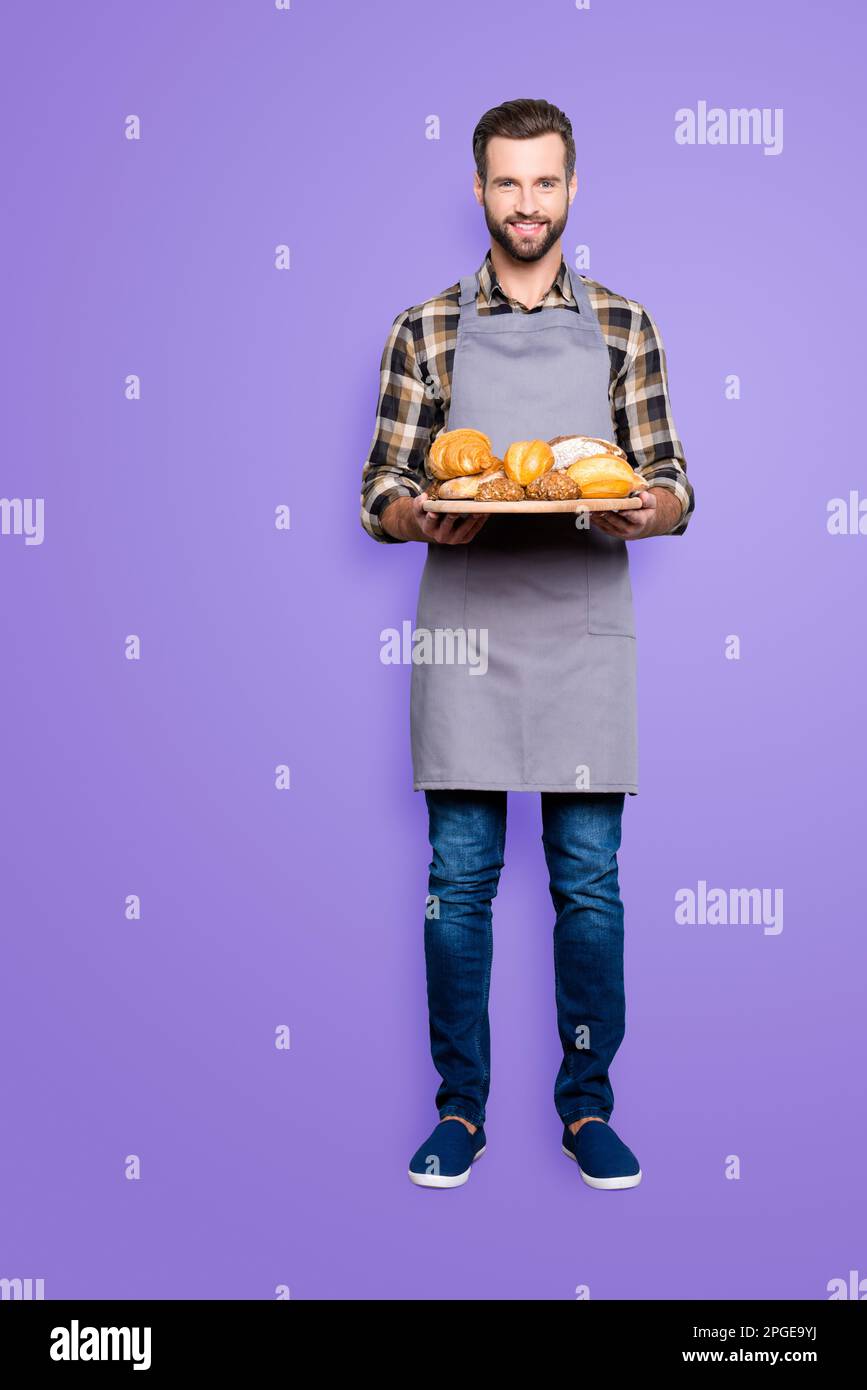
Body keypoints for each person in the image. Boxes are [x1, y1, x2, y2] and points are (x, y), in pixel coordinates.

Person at [360, 98, 695, 1192]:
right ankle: (460, 1110)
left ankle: (587, 1107)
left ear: (572, 187)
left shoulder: (625, 325)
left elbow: (671, 477)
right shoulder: (424, 328)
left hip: (583, 630)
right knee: (457, 884)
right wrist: (415, 516)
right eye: (507, 182)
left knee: (588, 888)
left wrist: (651, 510)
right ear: (478, 190)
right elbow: (382, 485)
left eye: (545, 181)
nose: (526, 203)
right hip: (465, 634)